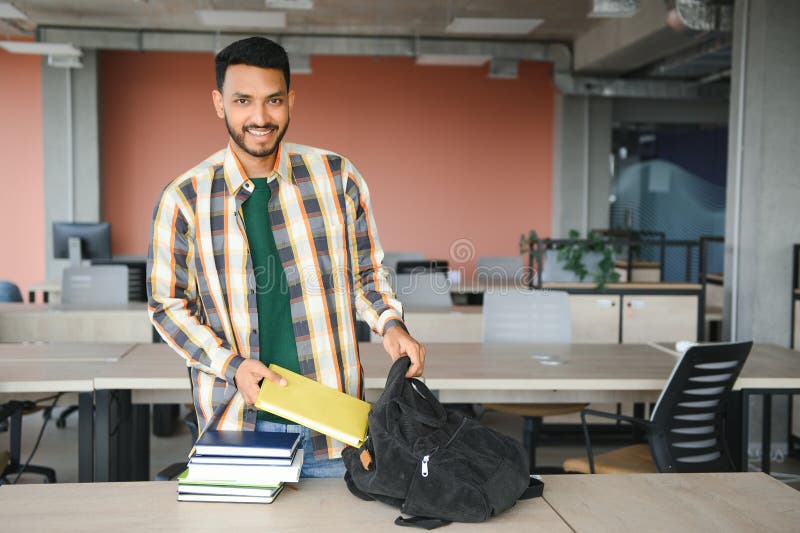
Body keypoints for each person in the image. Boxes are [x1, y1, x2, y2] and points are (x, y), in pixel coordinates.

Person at [147, 36, 425, 478]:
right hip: (236, 423)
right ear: (219, 103)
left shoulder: (338, 177)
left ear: (291, 100)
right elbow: (167, 305)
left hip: (332, 424)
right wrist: (230, 365)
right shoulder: (184, 198)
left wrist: (390, 325)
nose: (260, 117)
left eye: (273, 100)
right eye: (243, 101)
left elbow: (366, 275)